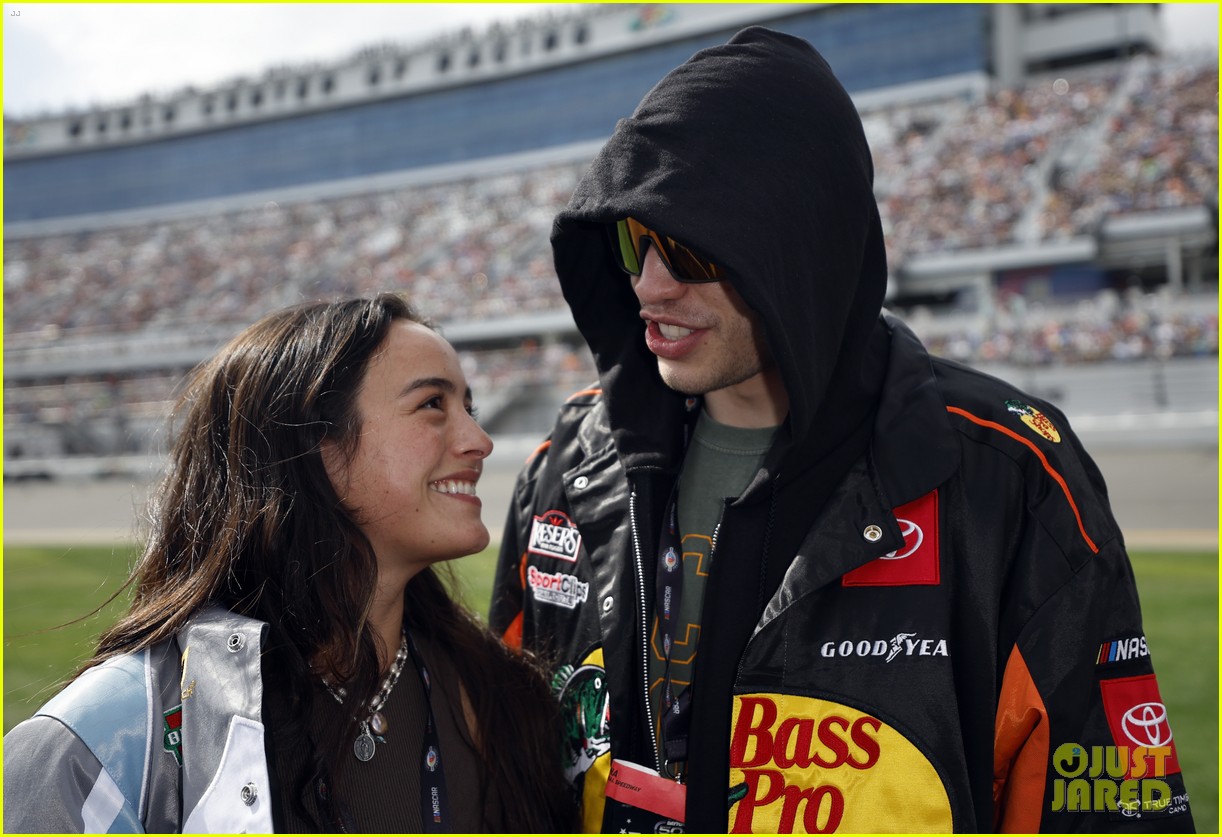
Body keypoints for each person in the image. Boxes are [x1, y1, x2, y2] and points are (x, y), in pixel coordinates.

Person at [490, 27, 1193, 833]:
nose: (648, 285)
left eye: (685, 247)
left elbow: (1110, 808)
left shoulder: (1011, 477)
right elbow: (502, 778)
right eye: (630, 241)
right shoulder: (568, 465)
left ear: (797, 243)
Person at [5, 294, 575, 833]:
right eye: (432, 405)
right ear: (311, 444)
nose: (480, 440)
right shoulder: (106, 744)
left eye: (469, 407)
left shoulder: (497, 696)